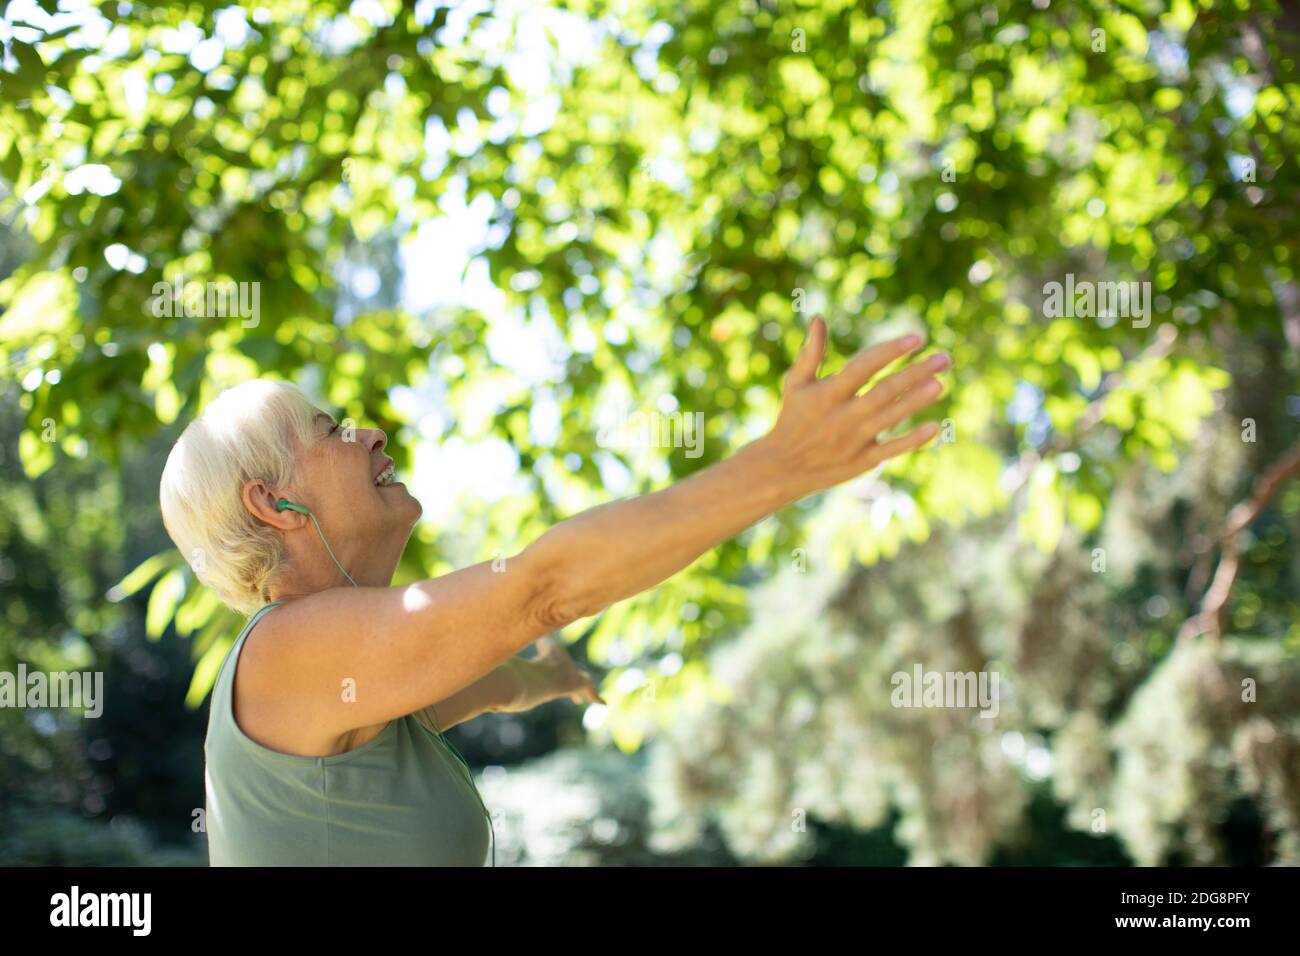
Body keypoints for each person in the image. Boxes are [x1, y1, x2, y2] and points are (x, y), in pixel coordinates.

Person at [158, 315, 950, 865]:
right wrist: (780, 466)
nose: (370, 432)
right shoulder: (288, 653)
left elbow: (498, 677)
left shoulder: (364, 687)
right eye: (330, 430)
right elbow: (543, 588)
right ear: (273, 503)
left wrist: (554, 678)